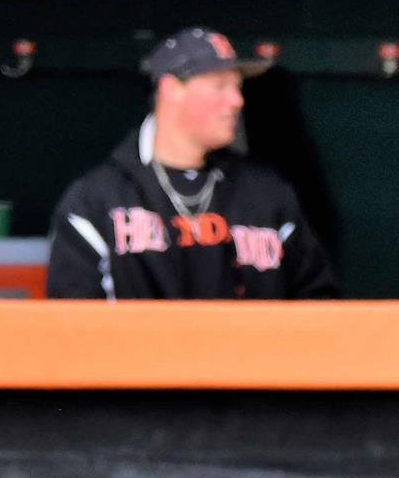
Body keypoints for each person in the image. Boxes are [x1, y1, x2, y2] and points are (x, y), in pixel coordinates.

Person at [46, 29, 338, 300]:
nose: (237, 101)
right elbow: (72, 330)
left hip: (250, 357)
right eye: (220, 86)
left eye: (237, 87)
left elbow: (319, 305)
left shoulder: (267, 193)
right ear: (172, 89)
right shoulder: (96, 199)